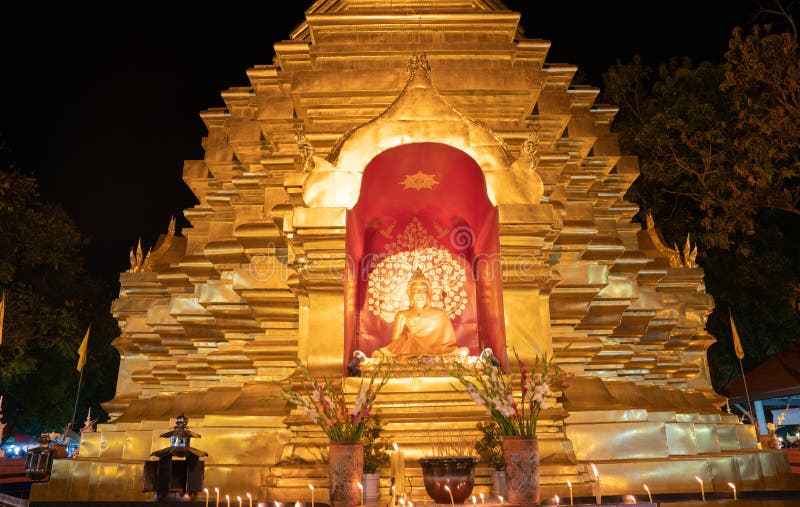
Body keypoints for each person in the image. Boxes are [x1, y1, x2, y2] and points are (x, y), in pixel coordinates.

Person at [373, 268, 467, 357]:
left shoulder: (440, 314)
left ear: (429, 293)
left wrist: (449, 350)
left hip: (436, 350)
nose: (419, 293)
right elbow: (395, 343)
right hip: (409, 349)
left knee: (464, 351)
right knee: (377, 354)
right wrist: (407, 339)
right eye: (414, 290)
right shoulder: (402, 315)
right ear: (410, 295)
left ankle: (424, 356)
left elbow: (447, 344)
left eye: (423, 289)